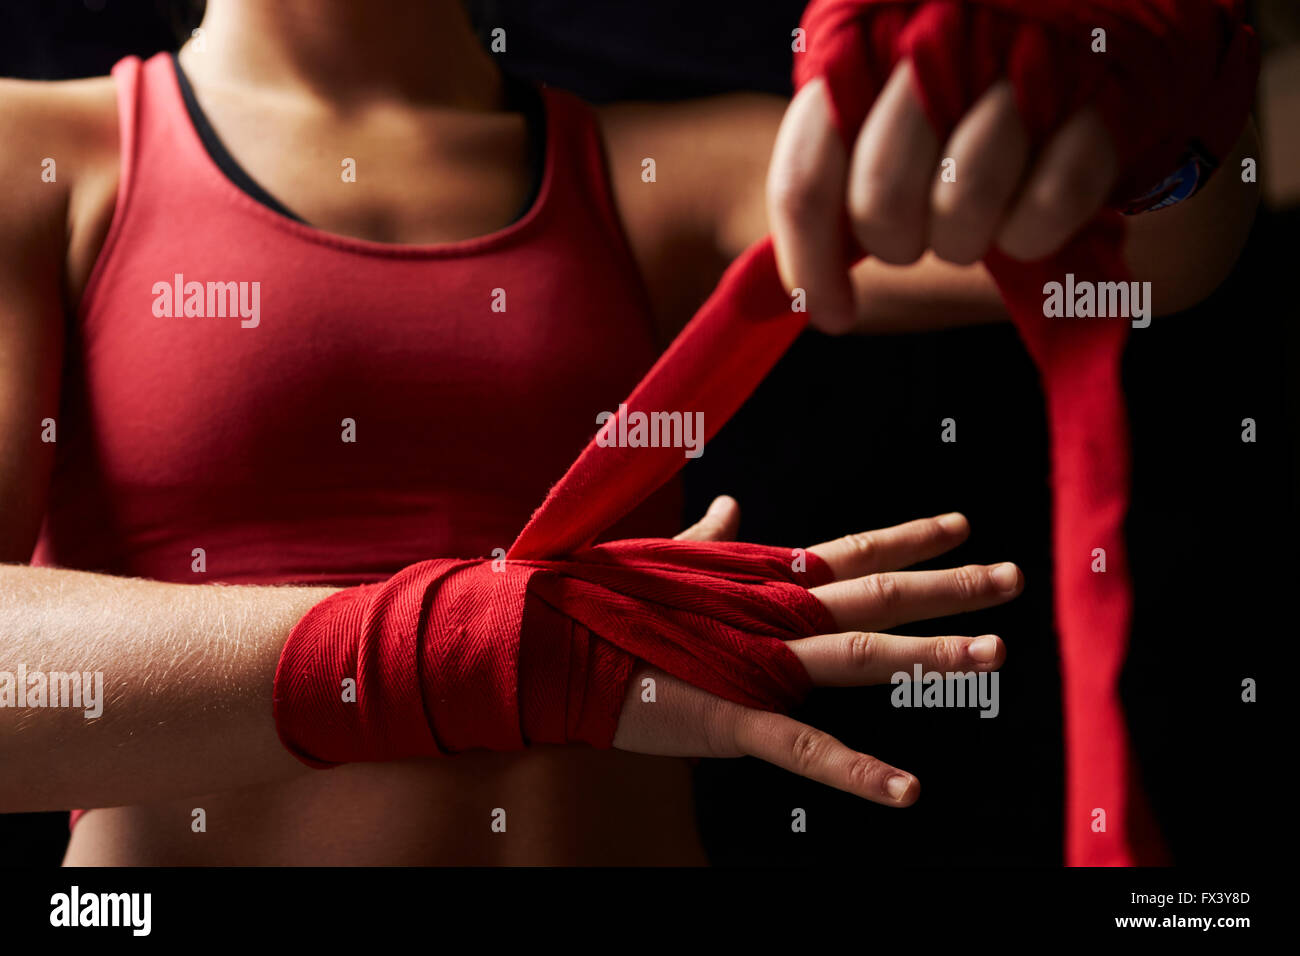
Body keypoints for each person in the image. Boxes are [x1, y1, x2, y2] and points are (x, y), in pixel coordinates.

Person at [0, 0, 1256, 865]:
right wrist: (499, 644)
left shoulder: (666, 171)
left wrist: (1123, 65)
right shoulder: (36, 151)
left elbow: (1162, 253)